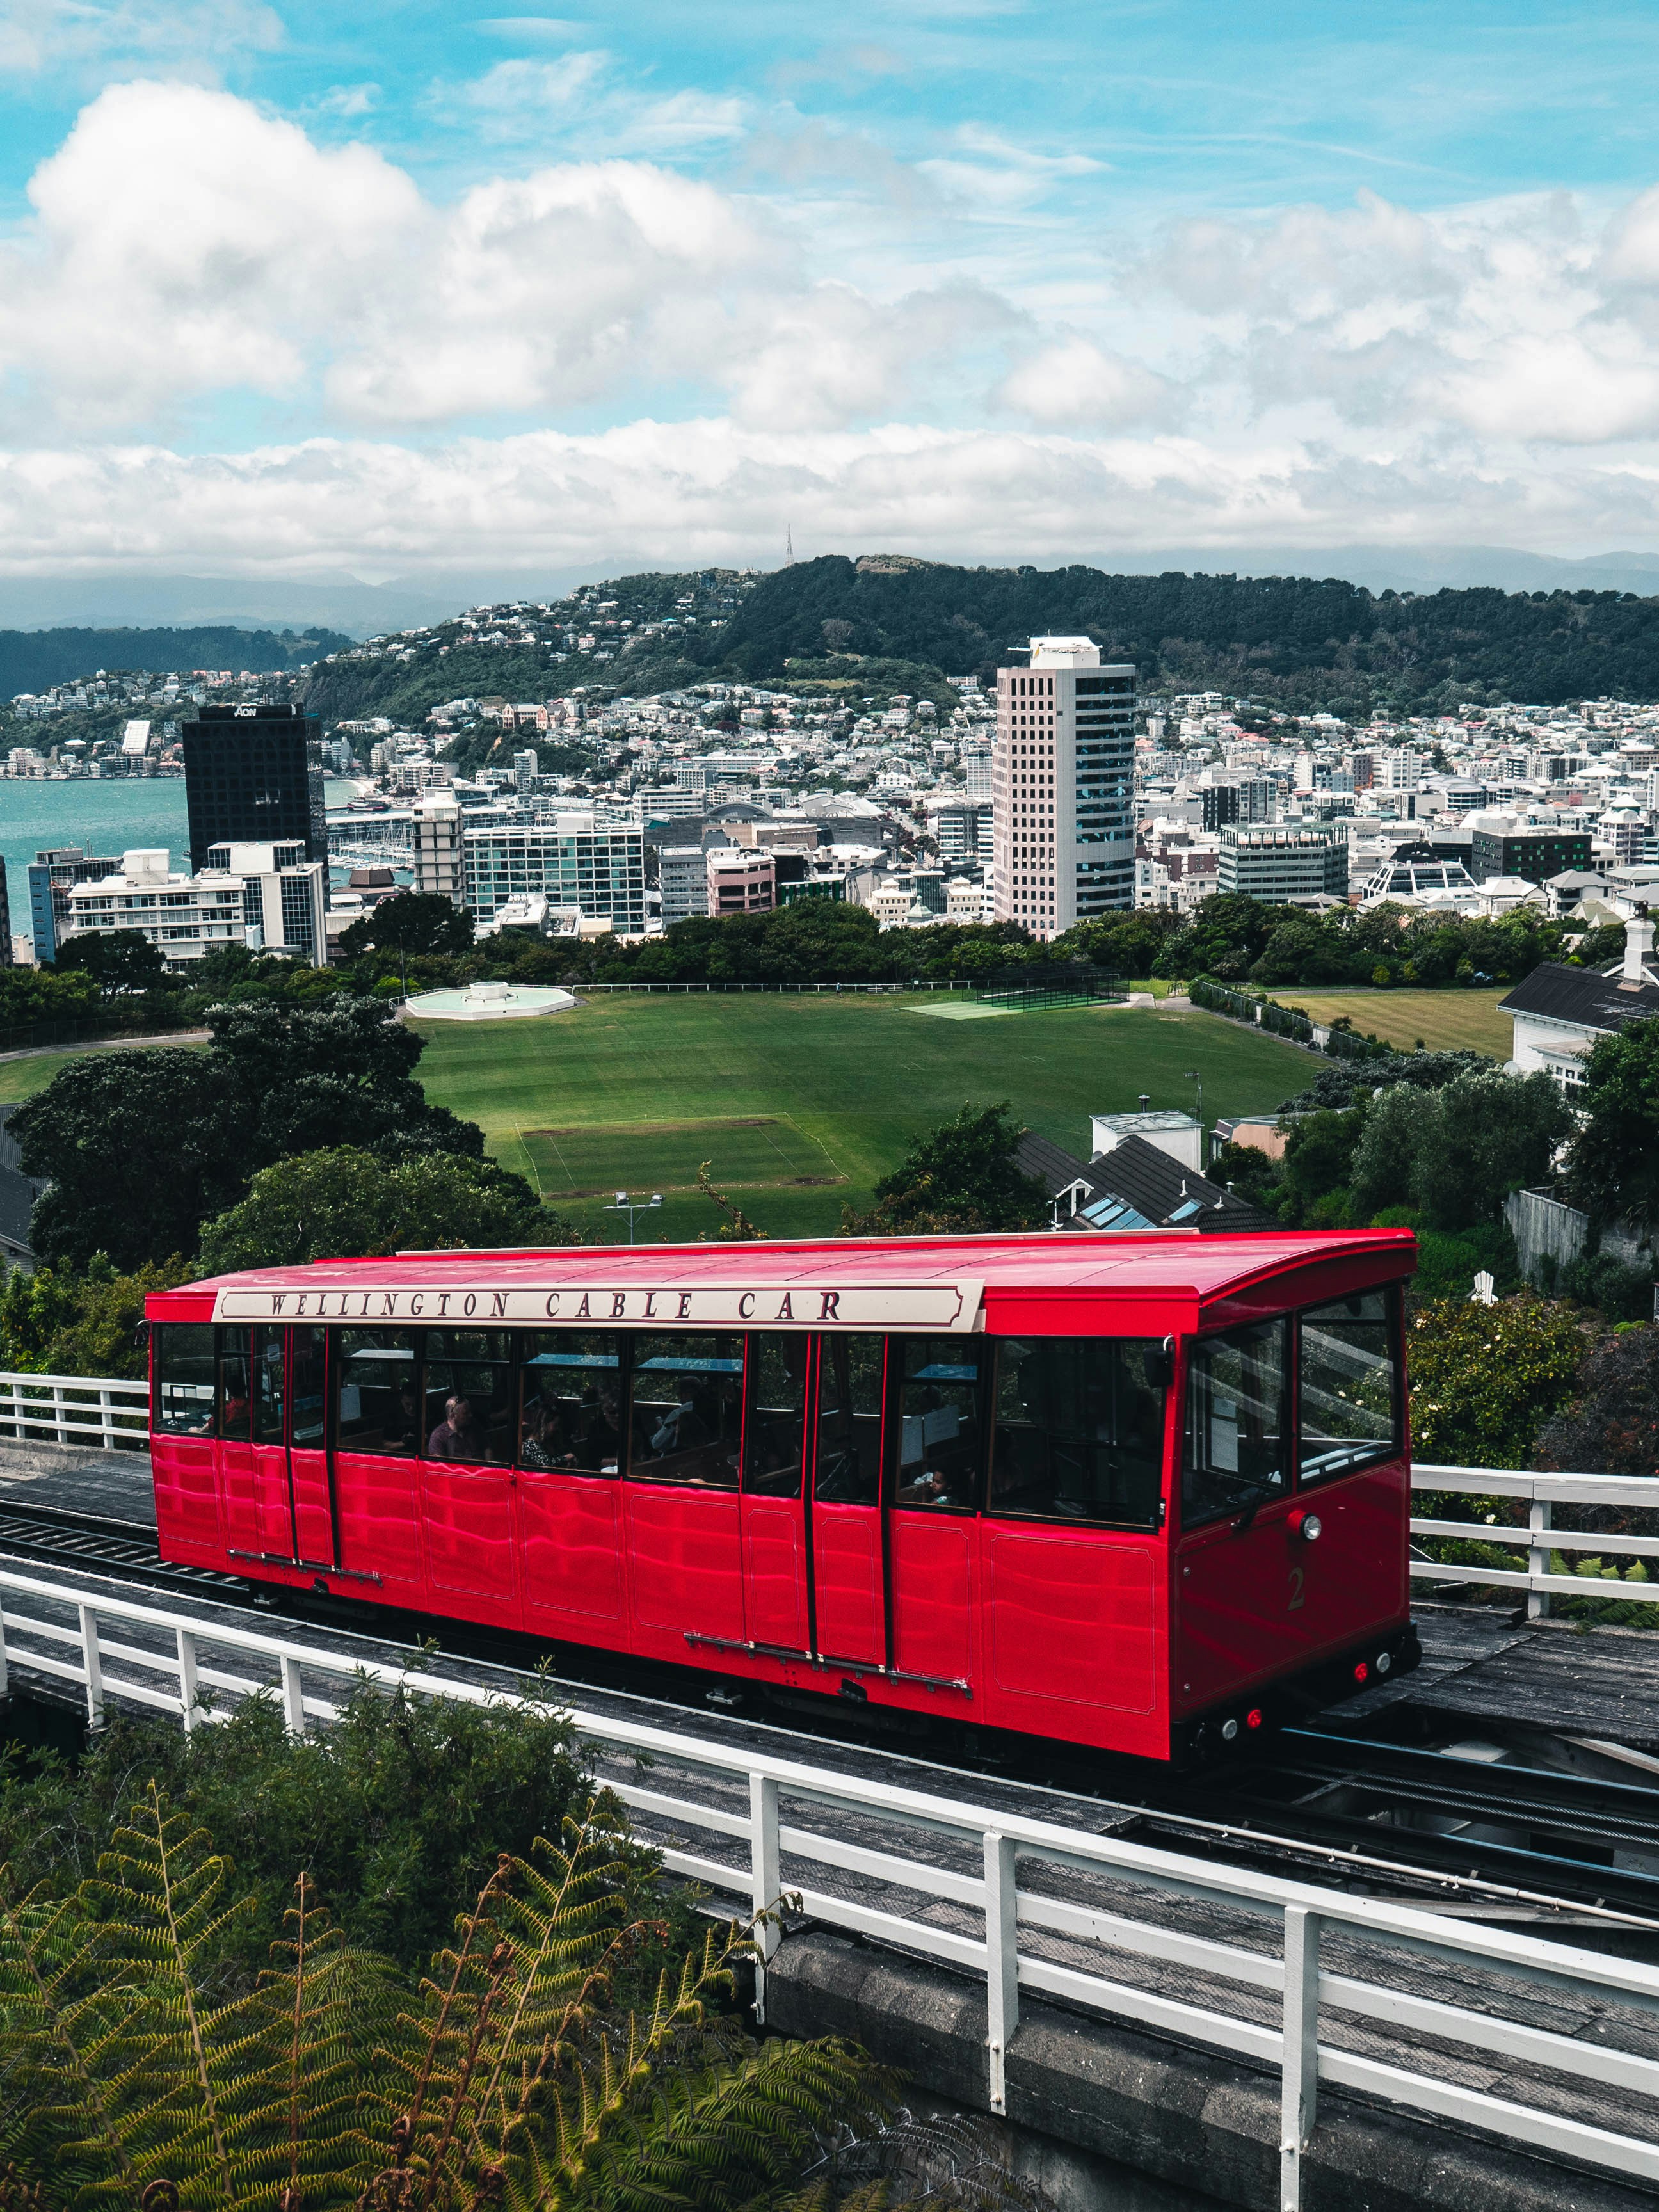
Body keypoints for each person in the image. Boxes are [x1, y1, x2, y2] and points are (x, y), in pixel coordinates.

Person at [428, 1393, 479, 1460]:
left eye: (470, 1412)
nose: (470, 1415)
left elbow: (487, 1449)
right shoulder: (438, 1436)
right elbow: (439, 1465)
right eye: (466, 1413)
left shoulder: (474, 1426)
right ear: (453, 1416)